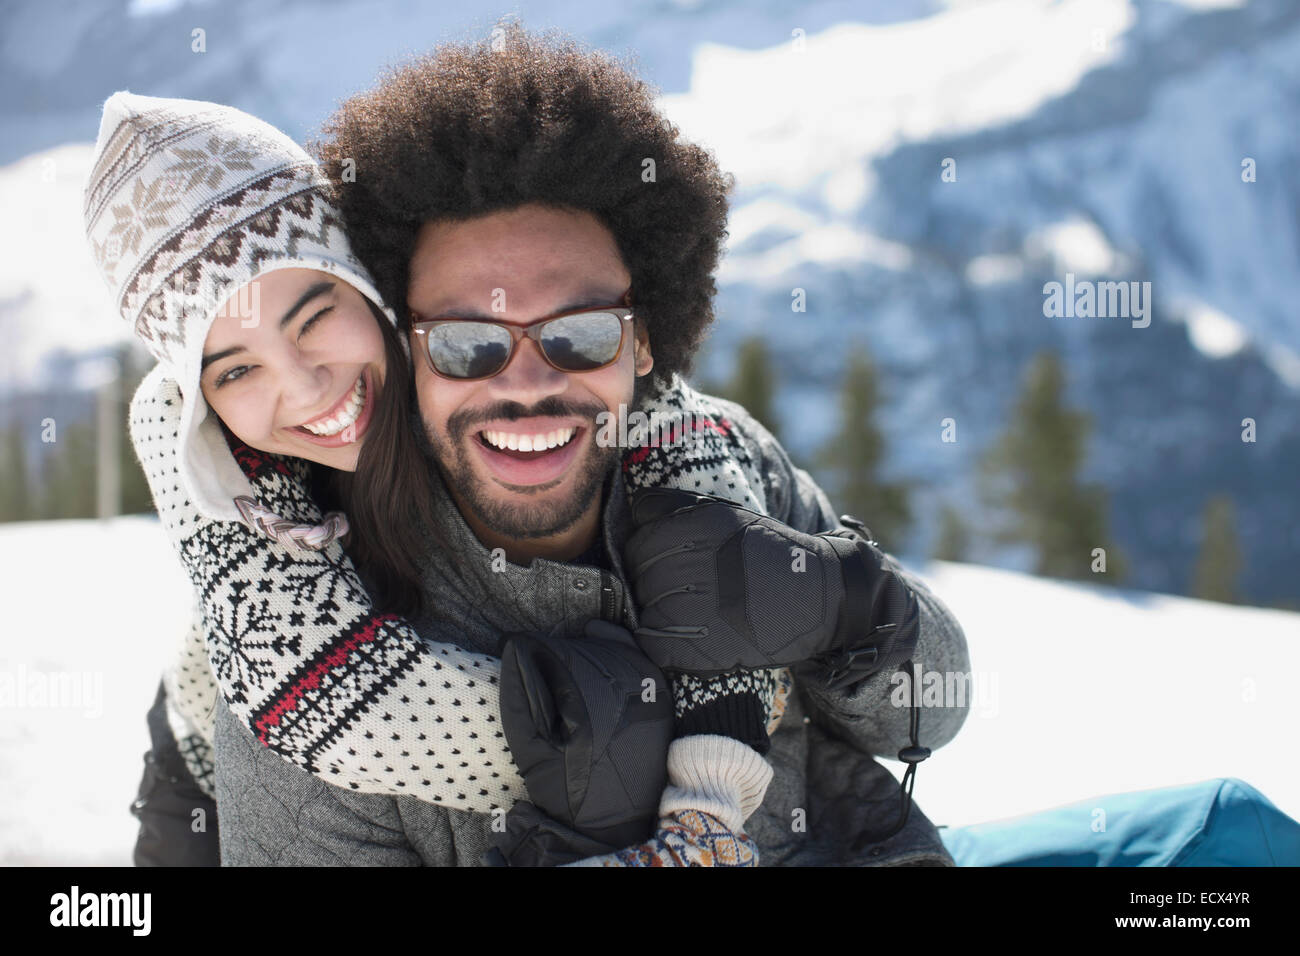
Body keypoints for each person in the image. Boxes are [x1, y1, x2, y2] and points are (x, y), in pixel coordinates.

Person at [205, 25, 973, 866]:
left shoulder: (729, 462)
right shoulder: (317, 662)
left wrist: (849, 604)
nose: (528, 383)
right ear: (405, 355)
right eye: (468, 342)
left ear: (645, 344)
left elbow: (930, 715)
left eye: (581, 334)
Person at [86, 91, 786, 867]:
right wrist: (630, 737)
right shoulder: (242, 486)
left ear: (367, 283)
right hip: (207, 788)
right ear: (201, 403)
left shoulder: (498, 372)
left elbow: (720, 530)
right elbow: (339, 708)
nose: (308, 389)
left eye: (315, 317)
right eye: (237, 369)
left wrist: (705, 774)